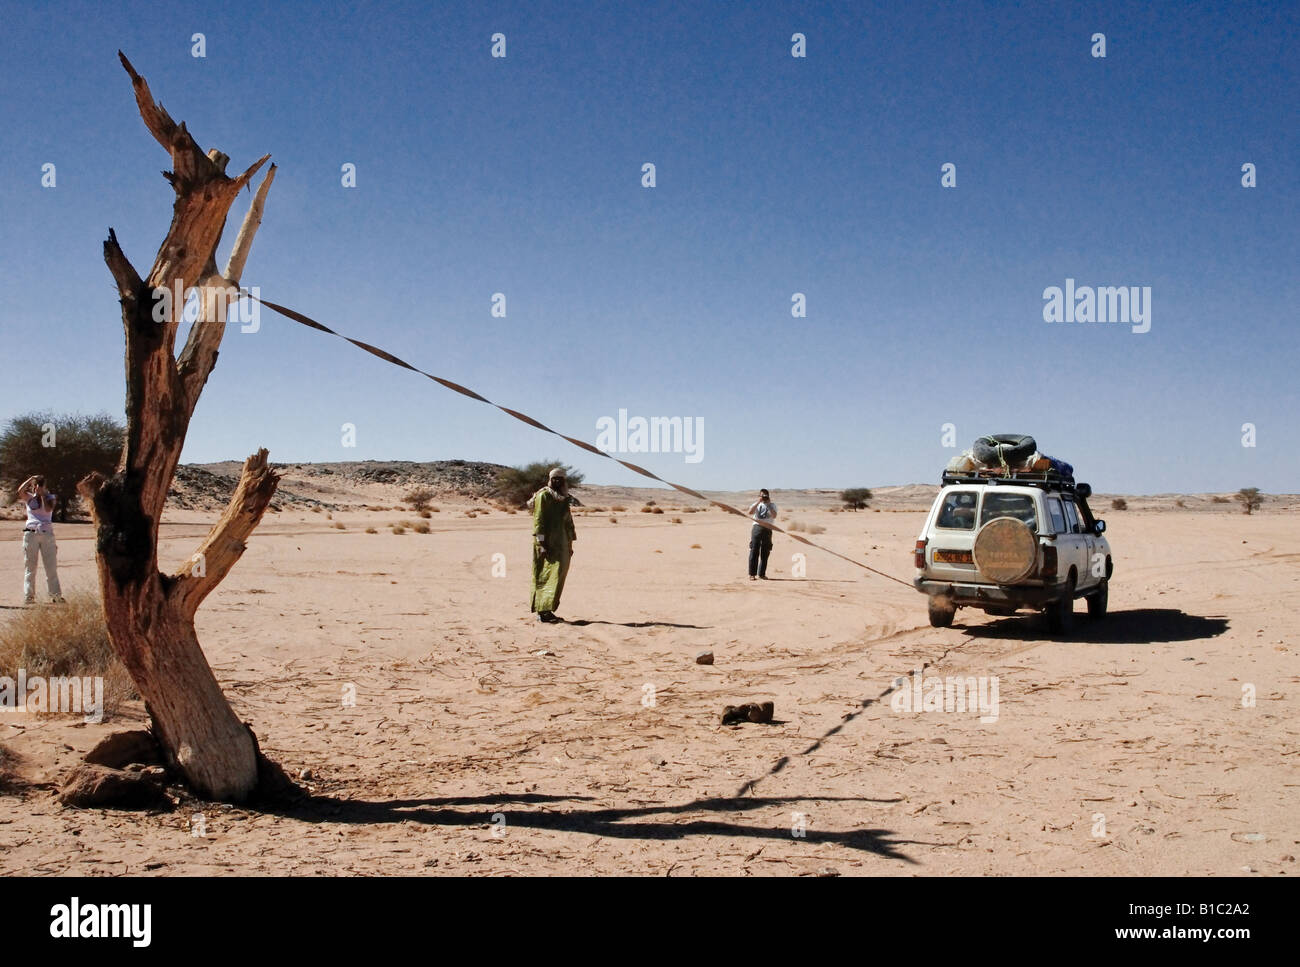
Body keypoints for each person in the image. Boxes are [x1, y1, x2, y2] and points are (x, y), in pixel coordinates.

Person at [529, 467, 577, 622]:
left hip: (562, 544)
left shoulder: (563, 498)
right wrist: (541, 543)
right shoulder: (543, 496)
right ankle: (542, 611)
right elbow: (539, 521)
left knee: (558, 577)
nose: (557, 481)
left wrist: (570, 544)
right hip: (546, 543)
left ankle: (548, 610)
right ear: (550, 479)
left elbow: (568, 521)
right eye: (554, 478)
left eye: (560, 478)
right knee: (544, 575)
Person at [17, 475, 65, 605]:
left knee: (51, 567)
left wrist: (43, 494)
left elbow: (48, 509)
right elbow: (20, 491)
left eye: (40, 485)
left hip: (46, 533)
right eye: (35, 486)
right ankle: (29, 596)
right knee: (30, 567)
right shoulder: (29, 498)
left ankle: (55, 595)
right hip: (31, 533)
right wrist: (30, 479)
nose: (36, 488)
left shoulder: (50, 498)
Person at [746, 489, 778, 580]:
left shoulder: (772, 505)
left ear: (768, 496)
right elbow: (750, 512)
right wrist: (758, 502)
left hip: (768, 528)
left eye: (765, 496)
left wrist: (768, 505)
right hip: (757, 527)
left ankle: (762, 574)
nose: (764, 497)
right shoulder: (756, 504)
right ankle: (752, 574)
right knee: (754, 550)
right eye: (762, 496)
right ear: (759, 496)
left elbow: (774, 515)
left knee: (765, 551)